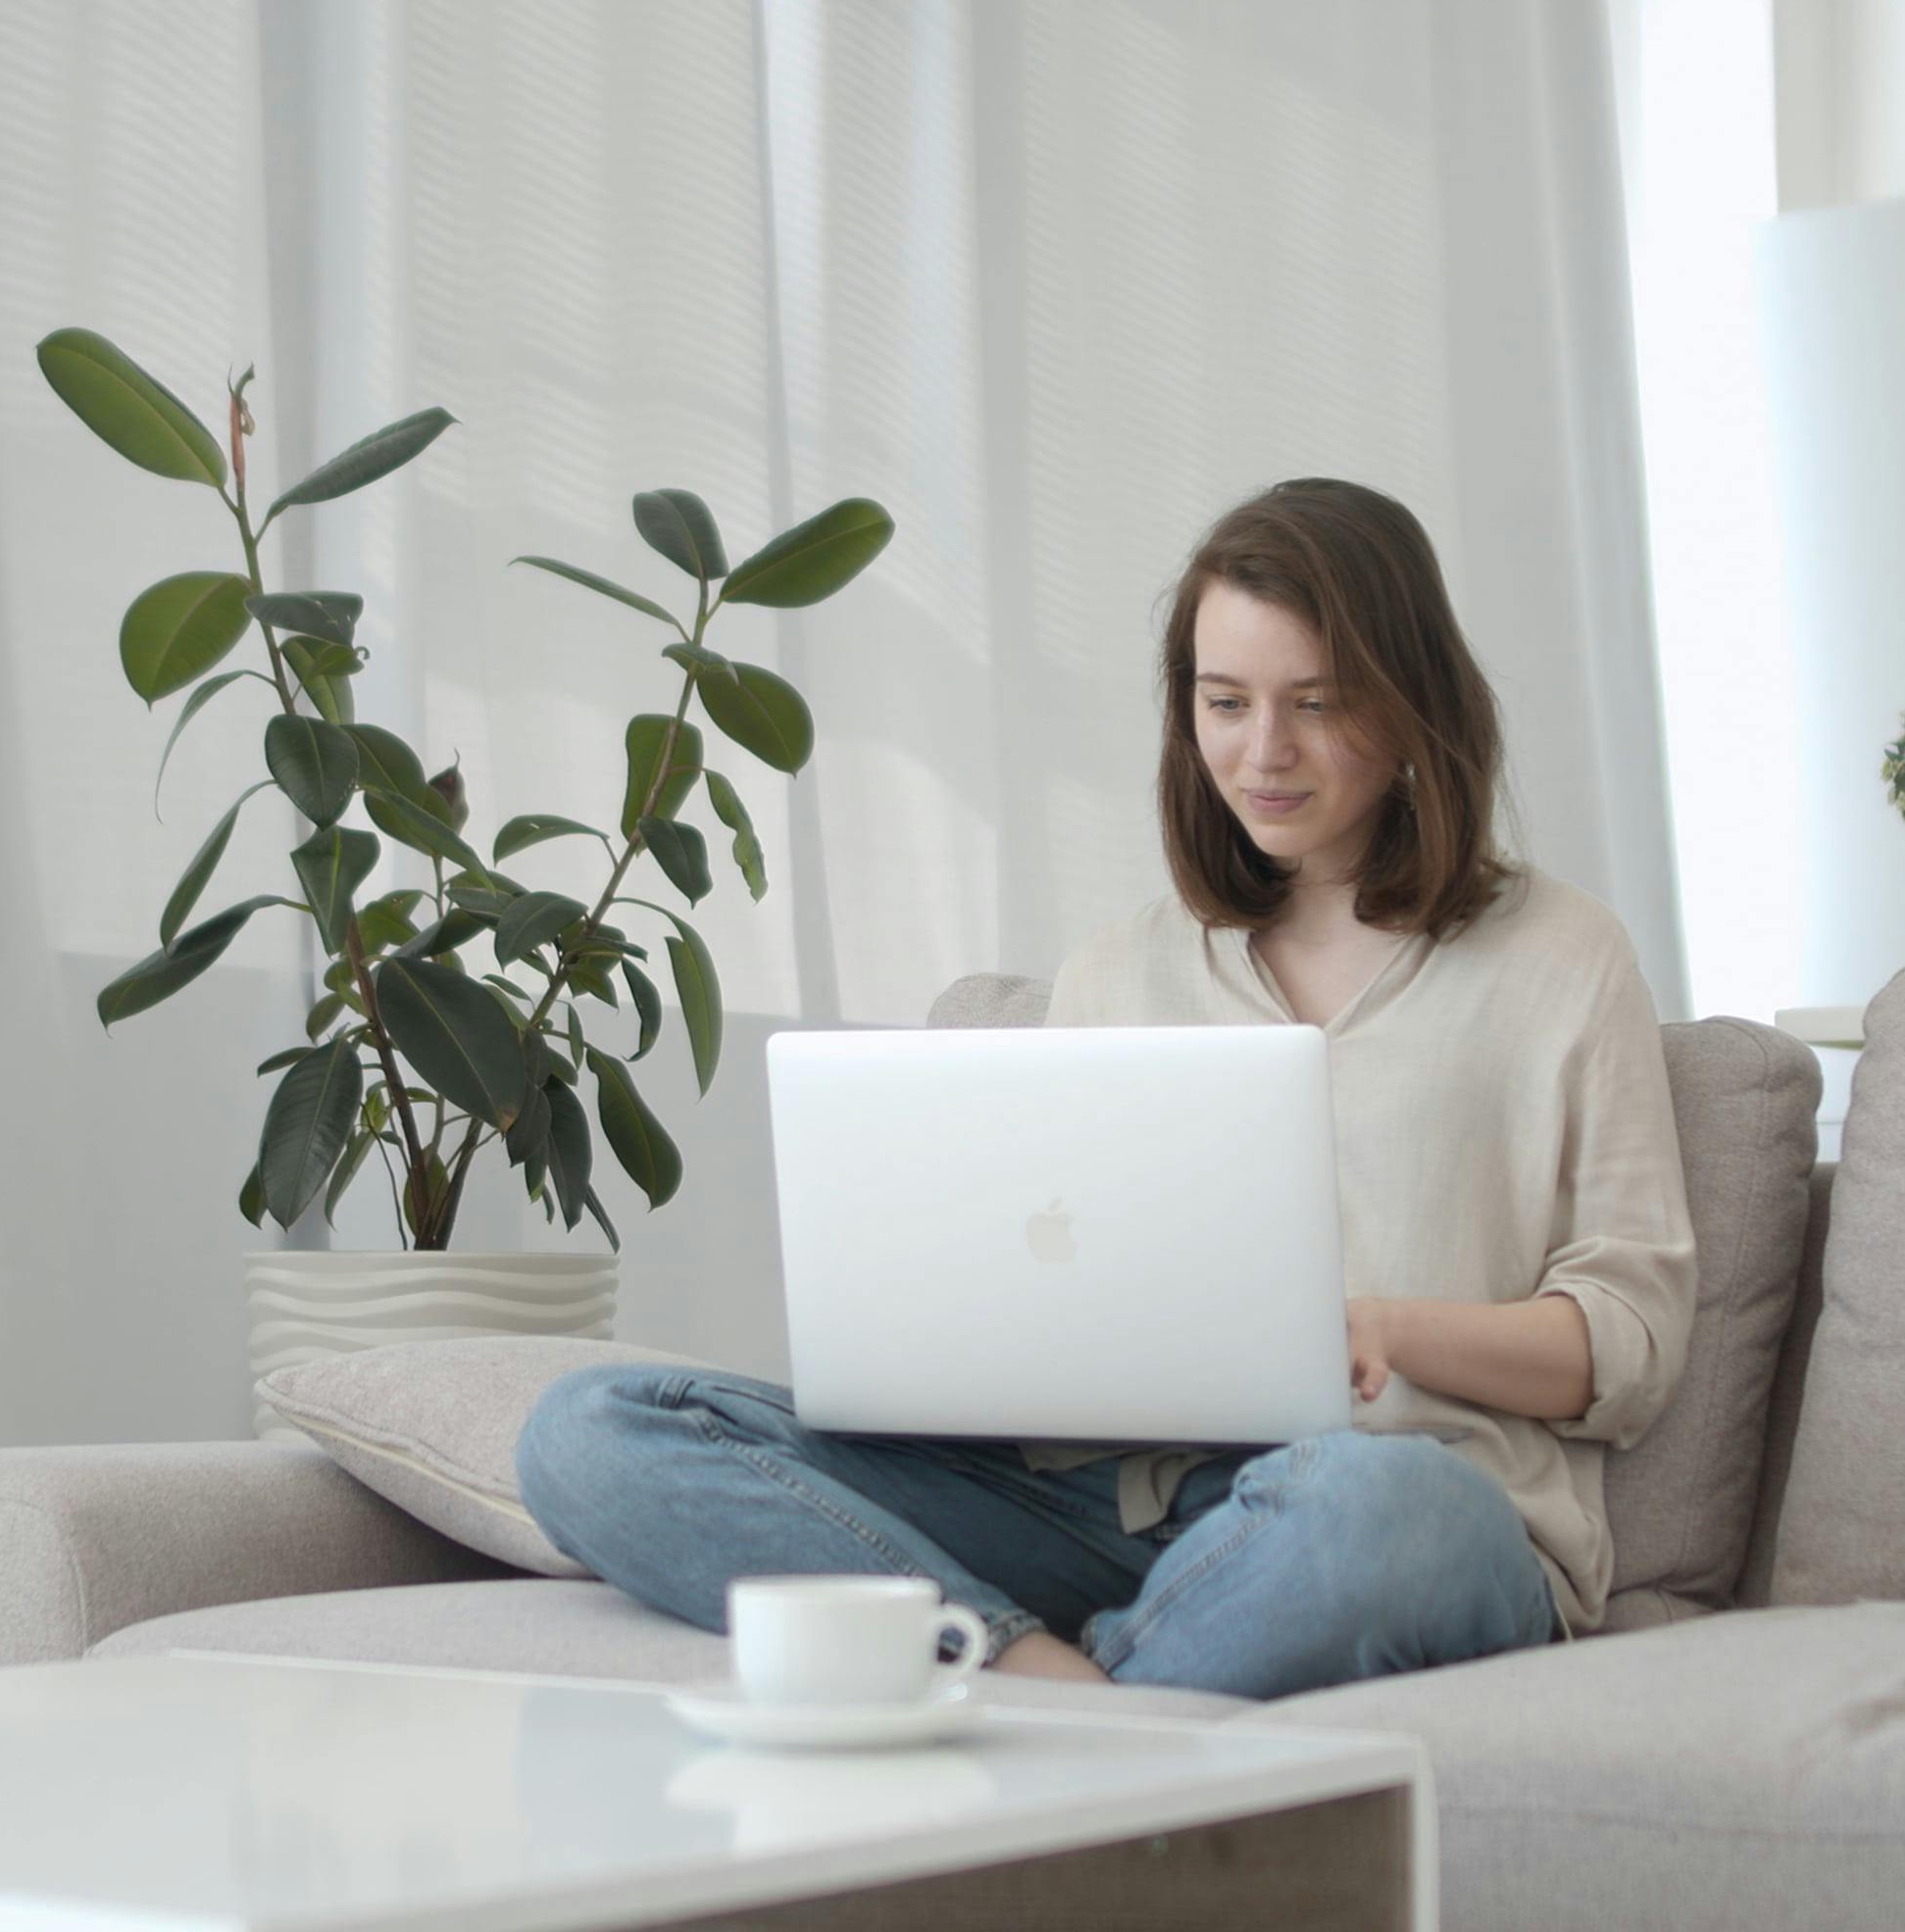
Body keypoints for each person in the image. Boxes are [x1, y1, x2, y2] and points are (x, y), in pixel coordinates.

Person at [514, 477, 1697, 1700]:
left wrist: (1386, 1329)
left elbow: (1632, 1342)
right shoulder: (1118, 967)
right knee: (591, 1429)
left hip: (1391, 1500)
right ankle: (1033, 1672)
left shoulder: (1562, 957)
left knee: (1382, 1504)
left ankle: (1072, 1704)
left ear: (1410, 710)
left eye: (1317, 705)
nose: (1262, 753)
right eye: (1224, 703)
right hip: (1096, 1504)